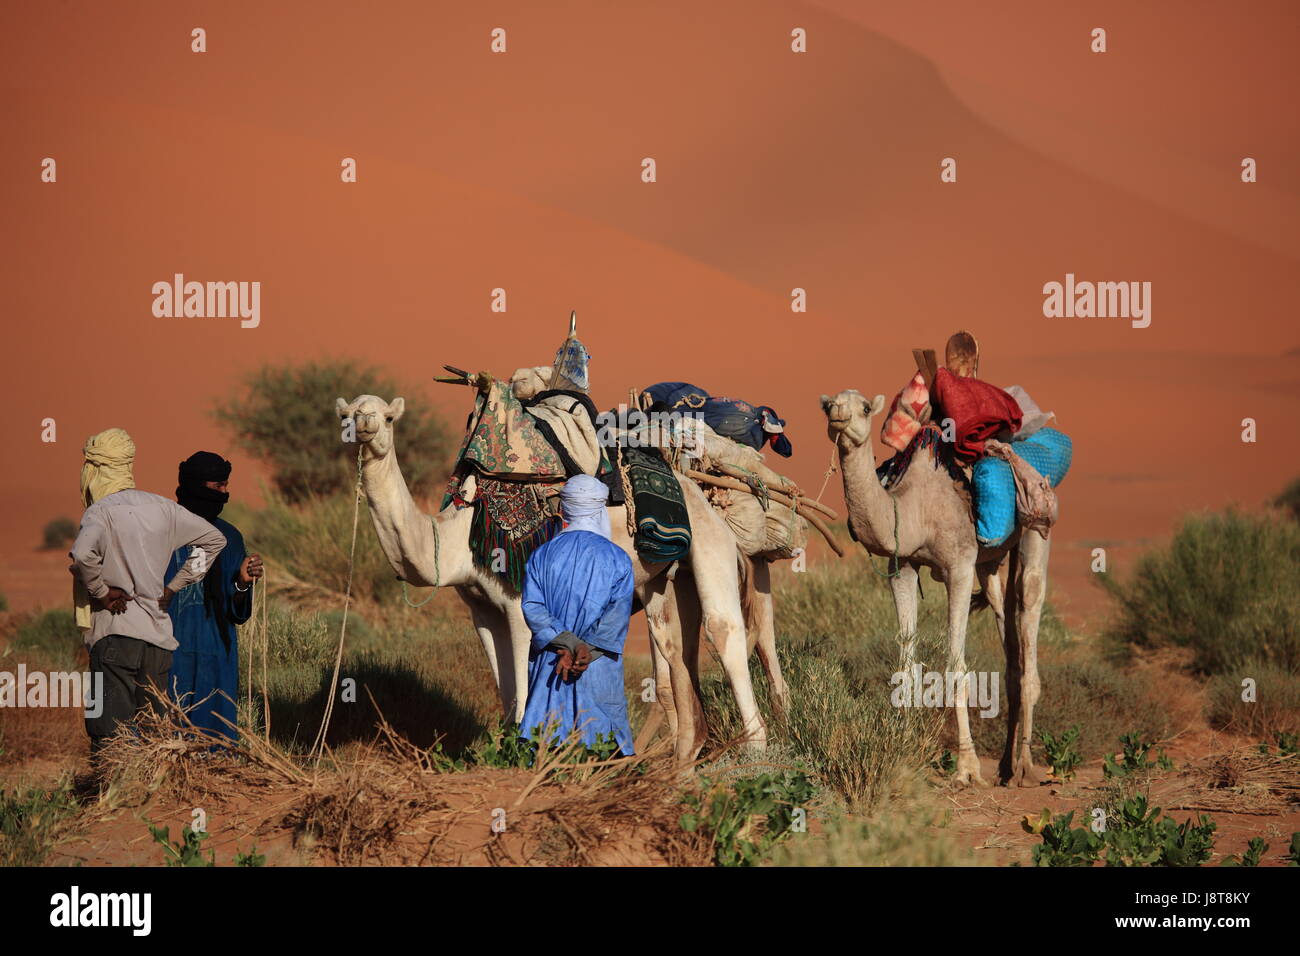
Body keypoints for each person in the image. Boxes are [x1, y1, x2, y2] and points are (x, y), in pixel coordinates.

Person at [68, 429, 227, 762]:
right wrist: (176, 585)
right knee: (156, 734)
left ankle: (113, 804)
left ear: (95, 470)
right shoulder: (162, 507)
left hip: (115, 637)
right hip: (157, 641)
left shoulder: (100, 512)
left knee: (110, 733)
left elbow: (82, 556)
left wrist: (99, 591)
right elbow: (214, 540)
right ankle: (154, 803)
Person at [519, 475, 635, 756]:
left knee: (543, 744)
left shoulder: (540, 555)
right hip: (594, 667)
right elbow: (614, 620)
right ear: (599, 509)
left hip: (552, 665)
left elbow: (532, 607)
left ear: (566, 509)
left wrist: (567, 645)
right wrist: (582, 651)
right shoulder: (619, 559)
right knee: (605, 753)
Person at [165, 452, 263, 743]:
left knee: (215, 737)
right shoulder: (163, 529)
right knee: (168, 728)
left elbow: (238, 613)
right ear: (197, 485)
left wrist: (243, 583)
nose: (224, 493)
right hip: (171, 650)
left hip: (217, 651)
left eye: (226, 486)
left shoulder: (230, 537)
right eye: (218, 486)